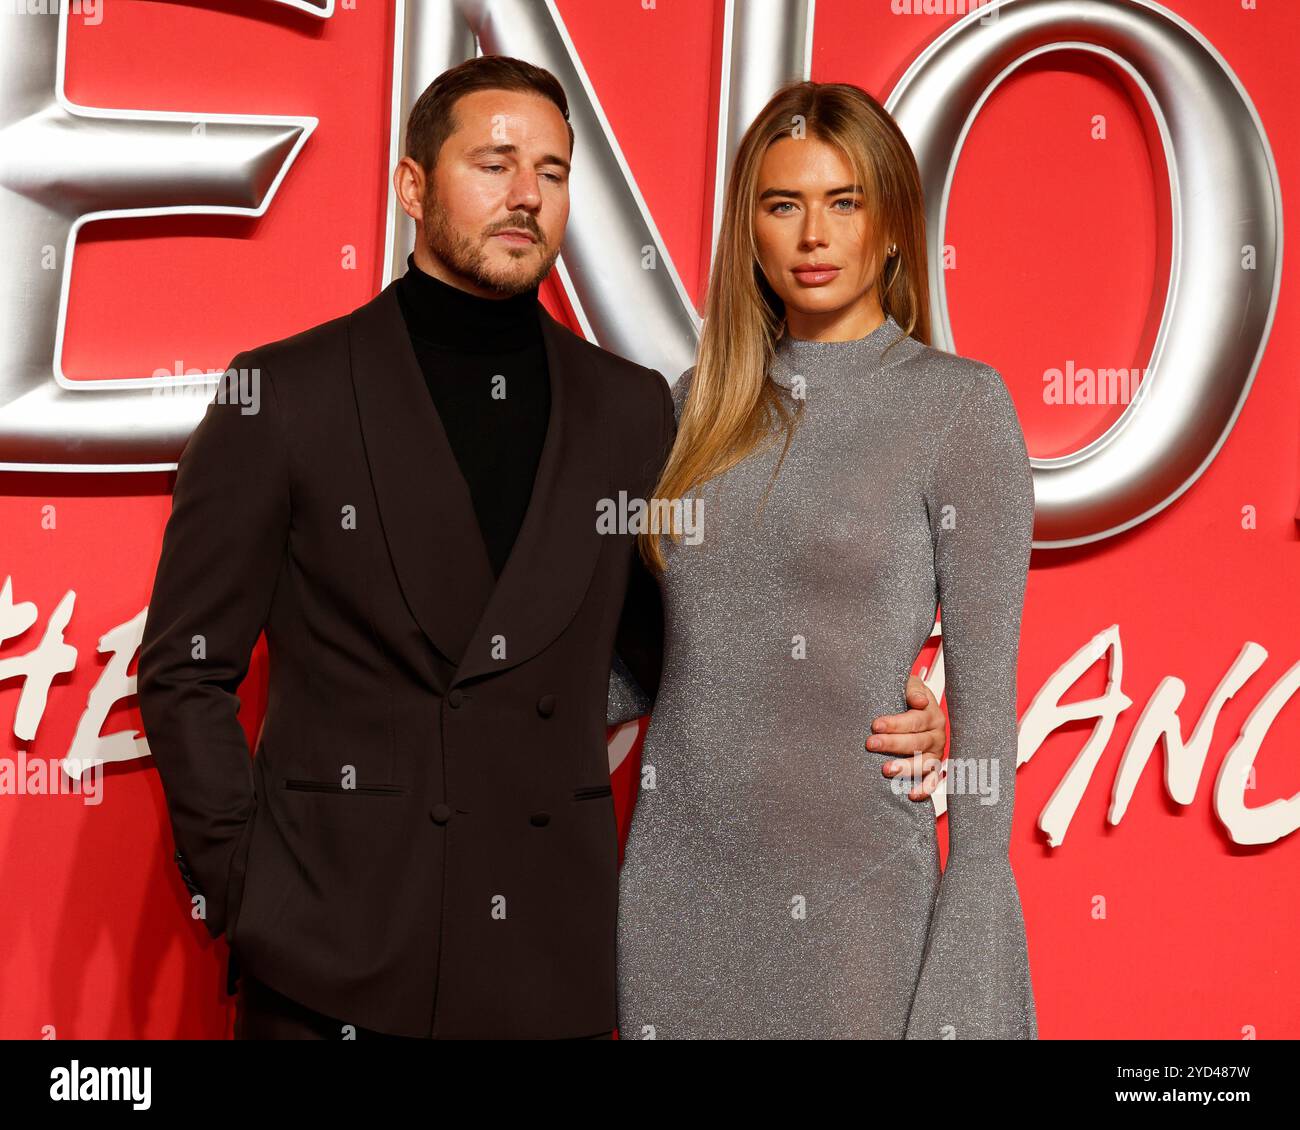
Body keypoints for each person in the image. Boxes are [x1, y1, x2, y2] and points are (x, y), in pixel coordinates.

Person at [138, 56, 946, 1040]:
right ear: (411, 186)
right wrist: (248, 887)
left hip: (547, 969)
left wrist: (869, 710)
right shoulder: (282, 395)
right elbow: (186, 670)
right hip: (328, 966)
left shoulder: (628, 407)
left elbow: (686, 656)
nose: (526, 194)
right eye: (494, 162)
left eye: (554, 172)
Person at [613, 81, 1039, 1039]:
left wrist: (972, 924)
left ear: (890, 226)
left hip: (857, 893)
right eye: (783, 204)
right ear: (750, 234)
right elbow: (639, 659)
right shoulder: (697, 405)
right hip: (676, 886)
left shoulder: (959, 409)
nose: (814, 235)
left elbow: (987, 696)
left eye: (844, 202)